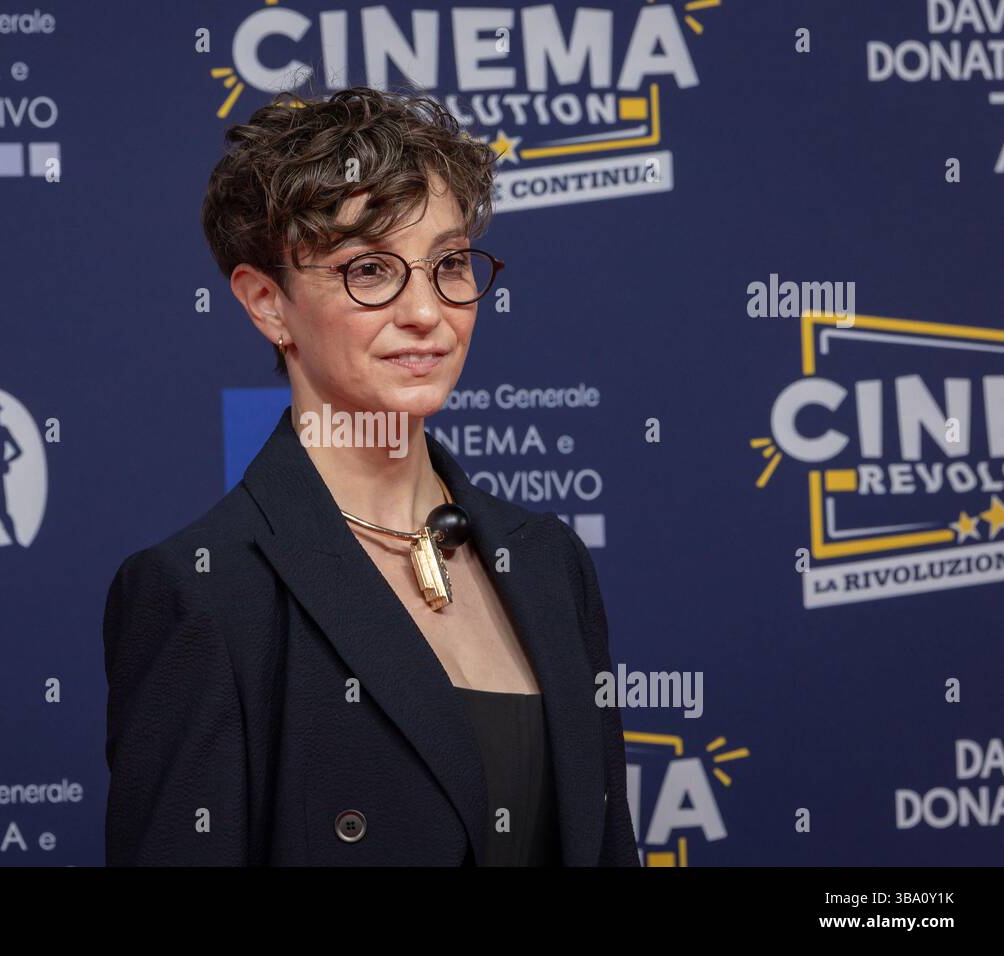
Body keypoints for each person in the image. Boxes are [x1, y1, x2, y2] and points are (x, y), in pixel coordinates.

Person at [103, 85, 638, 866]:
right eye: (370, 270)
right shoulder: (204, 595)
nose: (428, 310)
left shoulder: (551, 563)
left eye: (449, 263)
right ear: (266, 303)